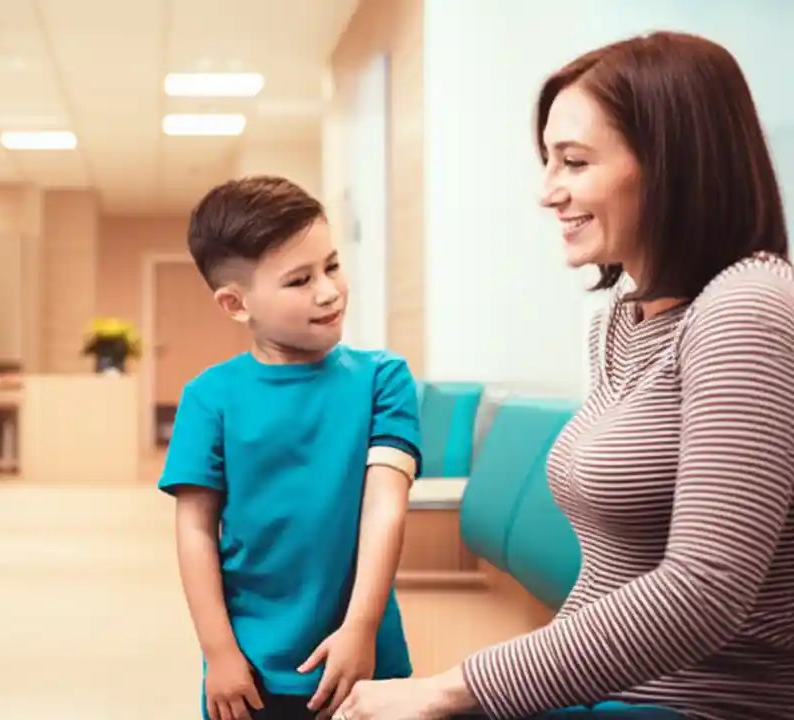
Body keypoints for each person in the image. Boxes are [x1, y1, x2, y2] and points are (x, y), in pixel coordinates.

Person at [334, 31, 794, 720]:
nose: (548, 193)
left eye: (574, 162)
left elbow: (707, 587)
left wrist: (456, 687)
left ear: (672, 165)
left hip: (701, 702)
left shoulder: (749, 307)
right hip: (610, 688)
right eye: (547, 161)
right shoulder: (621, 320)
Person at [158, 176, 422, 720]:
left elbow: (384, 507)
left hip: (362, 655)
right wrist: (219, 653)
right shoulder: (210, 397)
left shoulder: (383, 379)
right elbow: (195, 530)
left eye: (331, 266)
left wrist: (361, 628)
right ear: (235, 304)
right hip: (249, 672)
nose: (327, 291)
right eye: (299, 280)